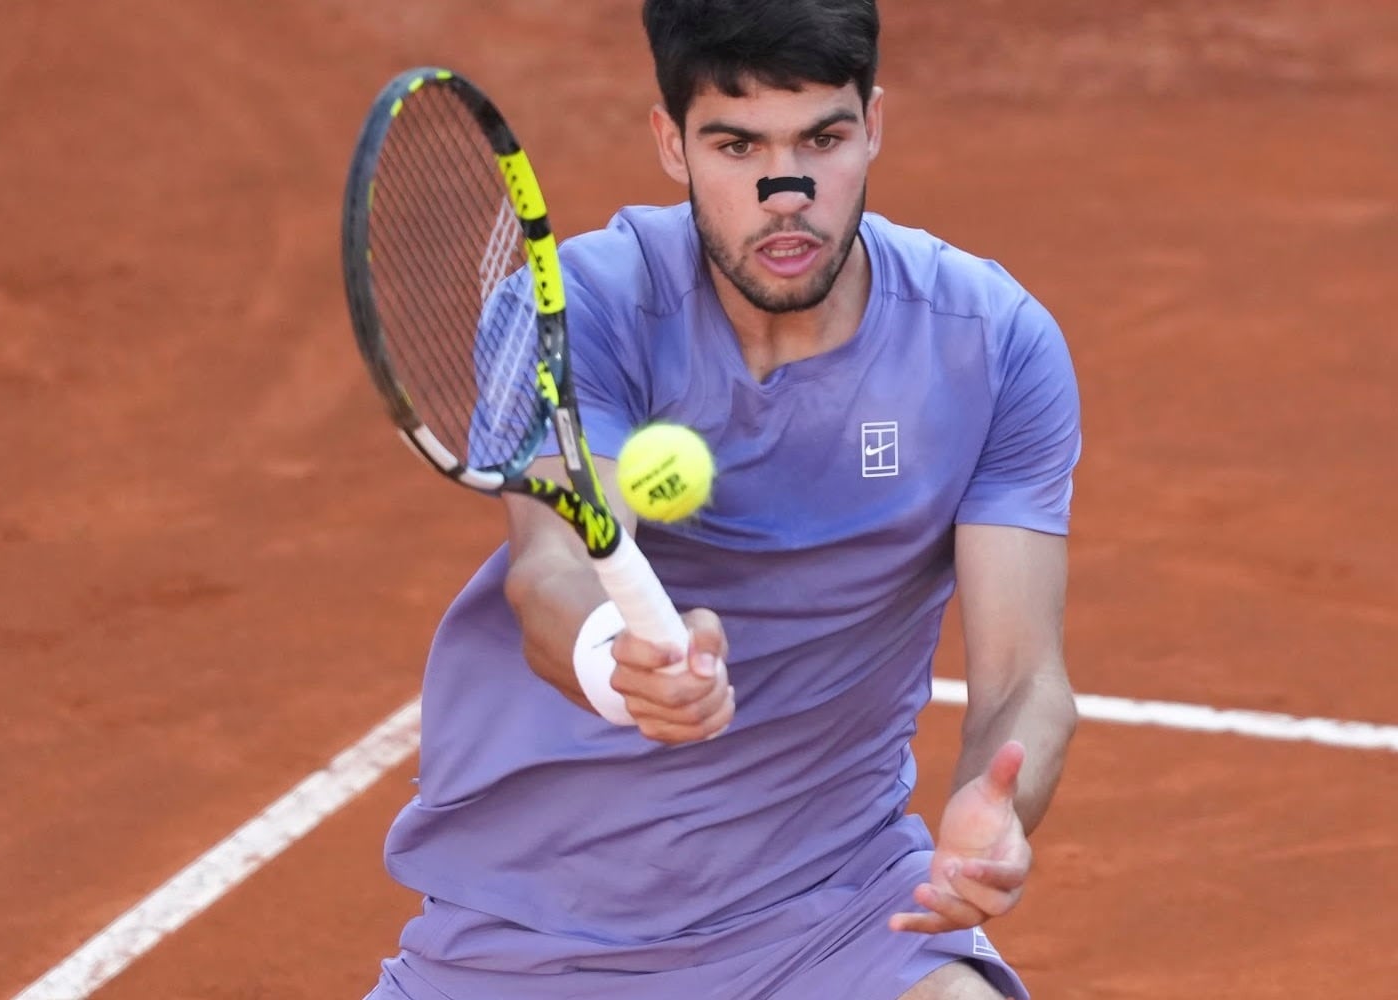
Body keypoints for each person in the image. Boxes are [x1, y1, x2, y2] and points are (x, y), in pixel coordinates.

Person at [366, 1, 1082, 997]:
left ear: (874, 125)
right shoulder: (585, 309)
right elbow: (552, 572)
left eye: (821, 139)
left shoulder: (991, 346)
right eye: (737, 143)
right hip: (537, 925)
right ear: (672, 143)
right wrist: (619, 669)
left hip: (832, 912)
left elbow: (1022, 675)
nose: (783, 192)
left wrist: (993, 805)